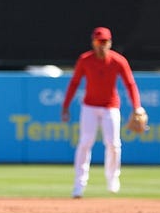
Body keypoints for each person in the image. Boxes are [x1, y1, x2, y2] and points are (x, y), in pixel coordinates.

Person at [61, 26, 143, 198]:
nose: (101, 45)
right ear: (93, 42)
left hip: (110, 106)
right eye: (98, 41)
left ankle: (113, 178)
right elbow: (74, 82)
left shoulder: (118, 61)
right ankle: (79, 185)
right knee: (85, 142)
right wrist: (66, 106)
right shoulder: (85, 60)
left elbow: (130, 84)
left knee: (113, 143)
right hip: (89, 106)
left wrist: (137, 106)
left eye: (104, 41)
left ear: (110, 43)